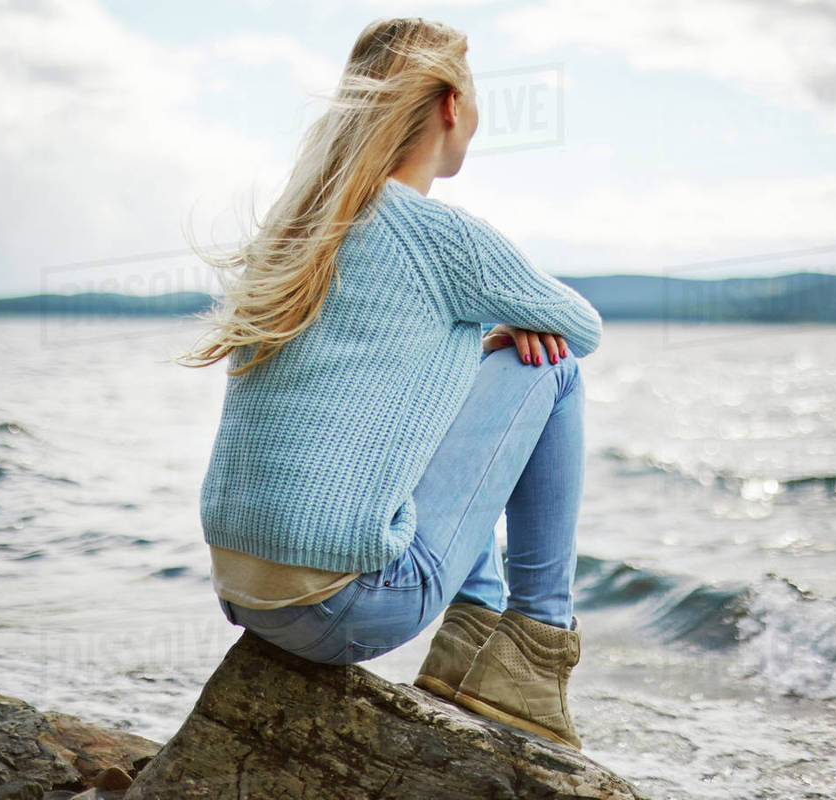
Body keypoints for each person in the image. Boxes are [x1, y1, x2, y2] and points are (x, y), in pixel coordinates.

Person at [179, 17, 602, 750]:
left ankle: (467, 644)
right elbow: (580, 328)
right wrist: (507, 331)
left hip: (247, 594)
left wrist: (482, 343)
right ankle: (534, 648)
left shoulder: (305, 222)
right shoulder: (440, 237)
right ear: (448, 106)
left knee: (474, 380)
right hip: (348, 608)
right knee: (554, 369)